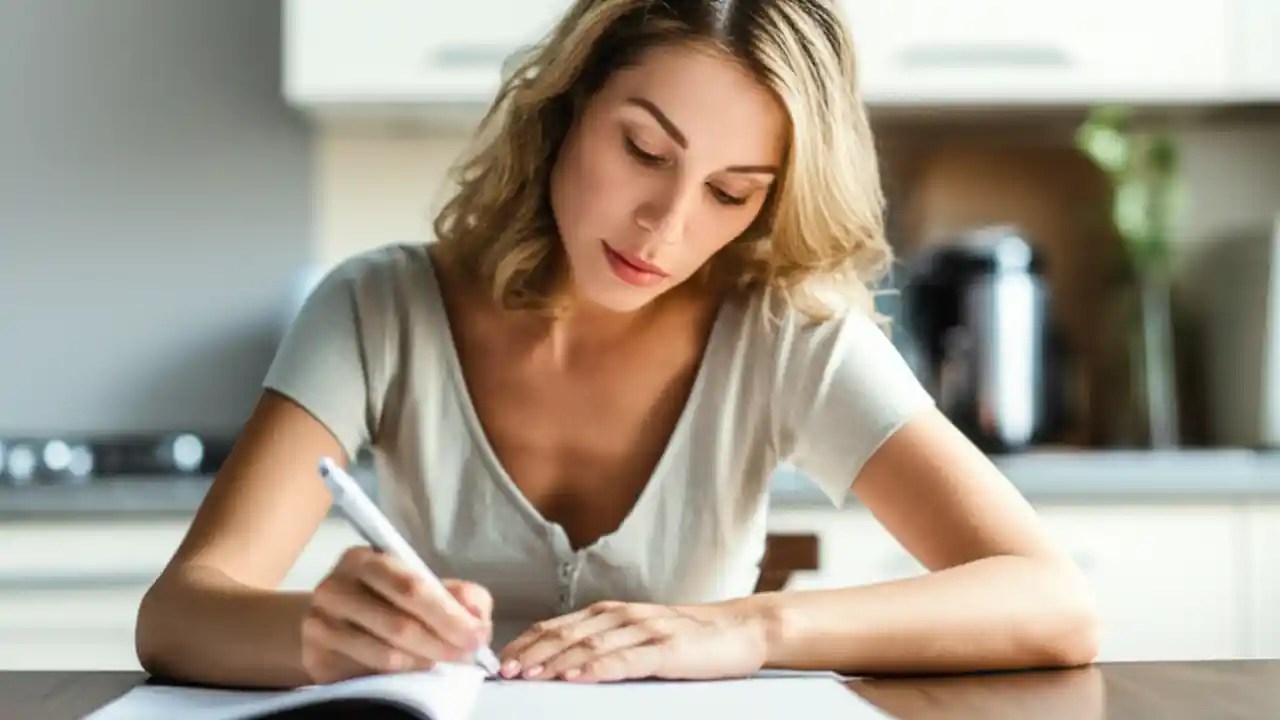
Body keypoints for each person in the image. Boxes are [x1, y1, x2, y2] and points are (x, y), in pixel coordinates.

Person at [136, 0, 1098, 688]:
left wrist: (747, 629)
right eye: (645, 150)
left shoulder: (786, 335)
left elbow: (1053, 602)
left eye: (731, 191)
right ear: (565, 111)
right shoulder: (379, 309)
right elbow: (180, 613)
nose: (664, 228)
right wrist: (318, 633)